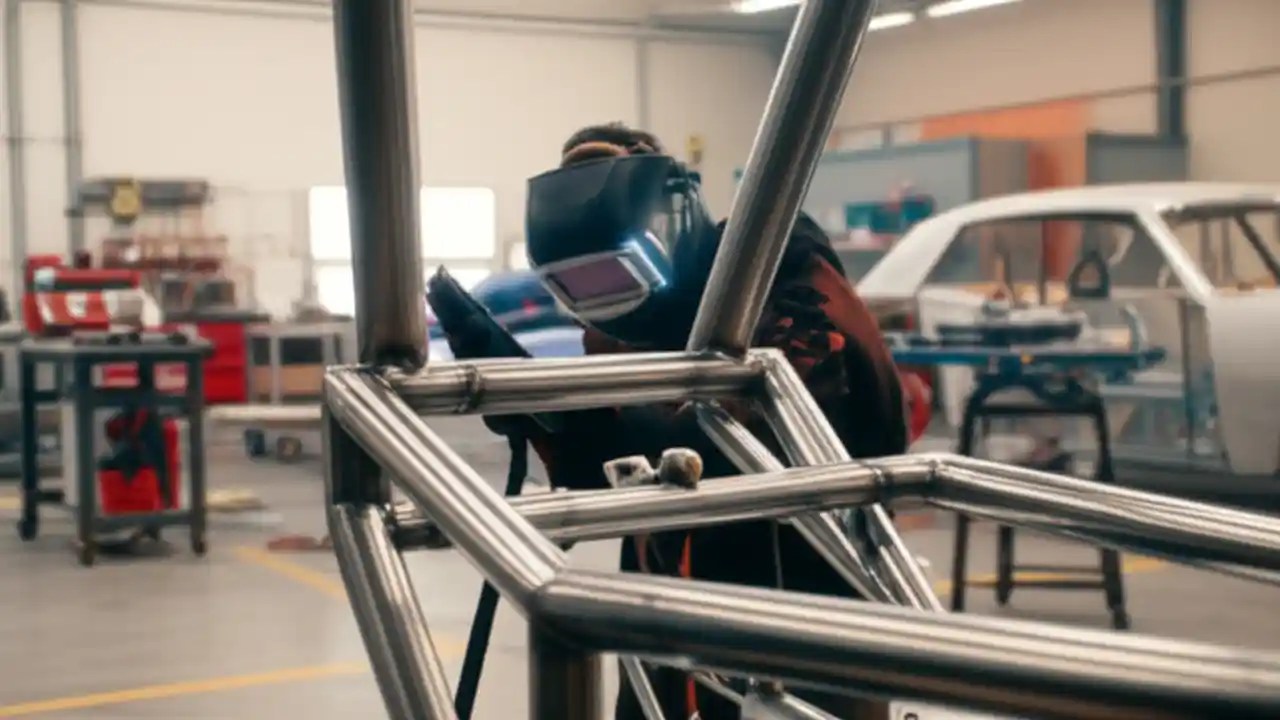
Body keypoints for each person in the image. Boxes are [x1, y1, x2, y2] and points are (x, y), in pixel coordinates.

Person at [507, 122, 907, 719]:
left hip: (810, 582)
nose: (612, 299)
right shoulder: (615, 326)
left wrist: (667, 426)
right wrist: (543, 415)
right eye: (581, 285)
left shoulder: (778, 265)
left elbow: (821, 420)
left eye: (620, 268)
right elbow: (604, 471)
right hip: (670, 594)